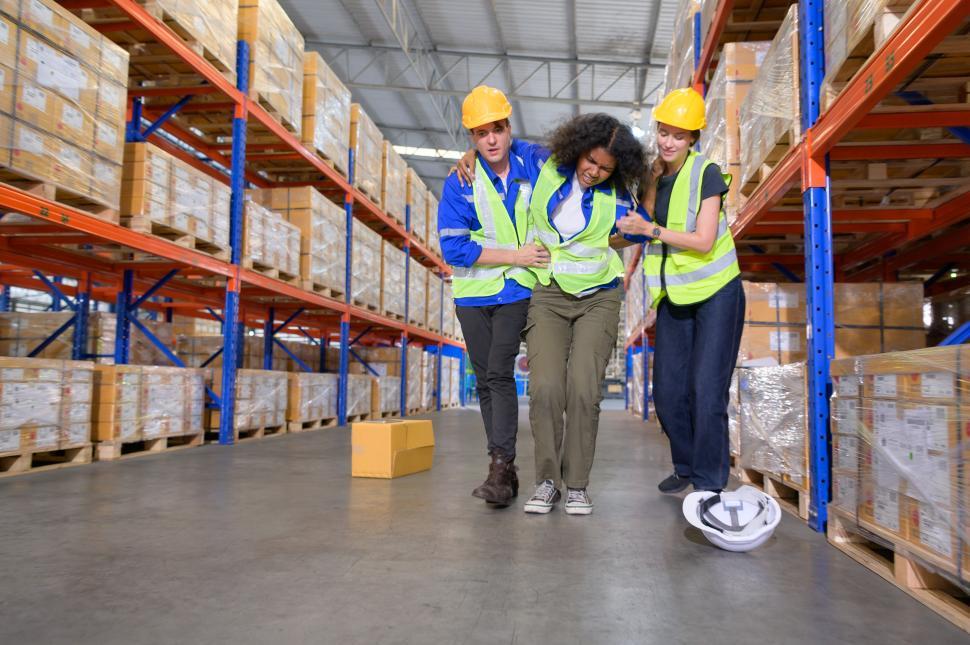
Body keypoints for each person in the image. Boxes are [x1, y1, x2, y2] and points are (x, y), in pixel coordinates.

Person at [457, 114, 647, 515]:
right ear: (578, 149)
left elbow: (634, 231)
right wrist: (469, 153)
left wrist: (628, 231)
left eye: (605, 168)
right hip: (548, 292)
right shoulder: (543, 163)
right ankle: (547, 482)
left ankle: (576, 484)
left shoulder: (619, 193)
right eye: (590, 161)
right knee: (544, 388)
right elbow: (497, 149)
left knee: (583, 389)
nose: (594, 172)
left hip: (599, 296)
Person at [616, 88, 745, 495]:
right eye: (664, 132)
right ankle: (686, 466)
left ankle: (710, 483)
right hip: (674, 297)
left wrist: (649, 231)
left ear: (693, 138)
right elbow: (642, 217)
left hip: (717, 294)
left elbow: (704, 240)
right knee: (669, 393)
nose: (669, 141)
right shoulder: (654, 174)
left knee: (706, 390)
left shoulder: (705, 173)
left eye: (679, 135)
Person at [437, 85, 550, 507]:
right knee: (485, 379)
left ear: (508, 127)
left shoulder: (533, 162)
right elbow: (454, 249)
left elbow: (573, 168)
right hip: (472, 294)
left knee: (500, 372)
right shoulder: (460, 181)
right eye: (481, 133)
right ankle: (505, 467)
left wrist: (520, 260)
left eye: (497, 129)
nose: (491, 140)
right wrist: (514, 253)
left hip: (518, 287)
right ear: (471, 137)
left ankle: (499, 469)